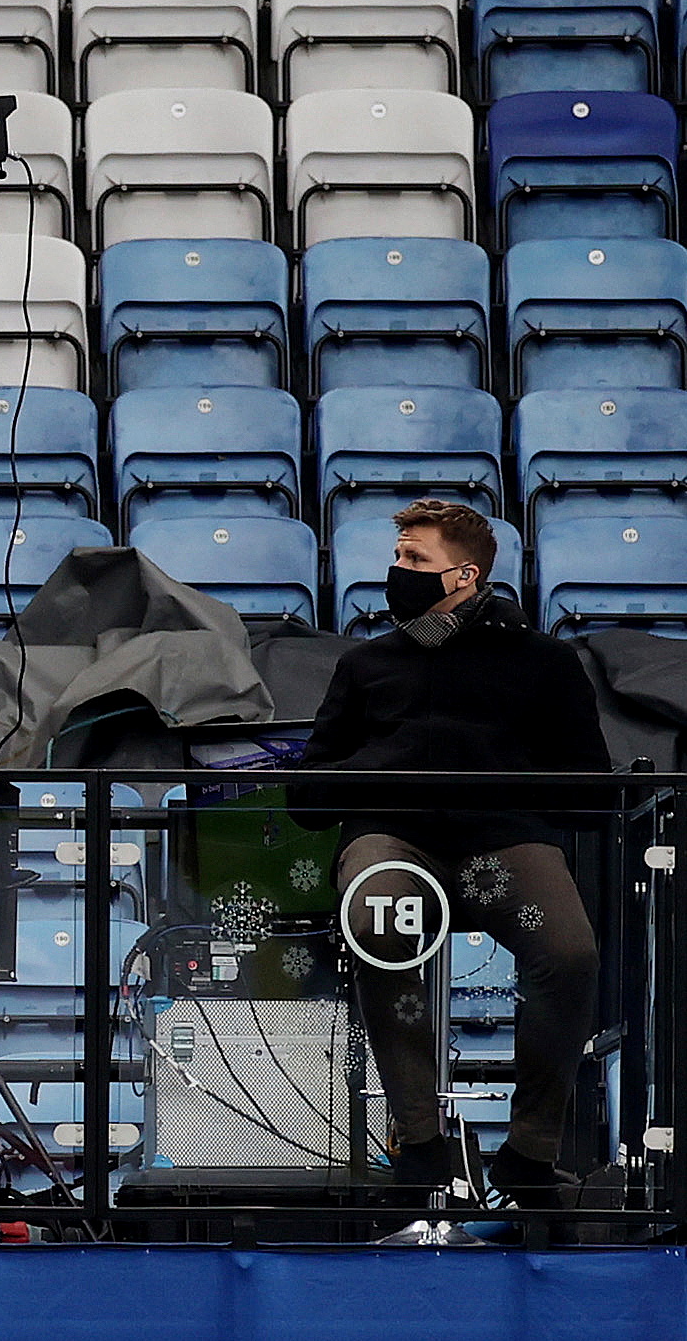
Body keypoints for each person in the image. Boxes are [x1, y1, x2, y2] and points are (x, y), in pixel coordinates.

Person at [294, 499, 611, 1211]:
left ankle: (528, 1152)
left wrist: (500, 780)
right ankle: (419, 1139)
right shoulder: (364, 662)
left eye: (414, 560)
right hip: (393, 837)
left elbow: (590, 792)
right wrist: (386, 767)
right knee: (377, 920)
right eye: (397, 557)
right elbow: (307, 795)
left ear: (465, 575)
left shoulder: (545, 663)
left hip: (499, 843)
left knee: (569, 955)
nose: (396, 572)